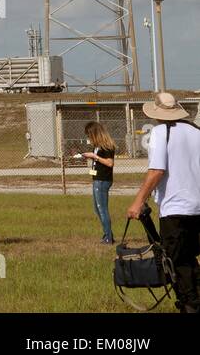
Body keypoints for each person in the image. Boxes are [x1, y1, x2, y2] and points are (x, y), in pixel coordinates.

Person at [127, 92, 200, 313]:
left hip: (175, 210)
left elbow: (157, 170)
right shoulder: (196, 132)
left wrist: (138, 202)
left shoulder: (160, 133)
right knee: (188, 259)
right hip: (197, 208)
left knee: (175, 263)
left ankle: (190, 306)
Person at [77, 121, 116, 243]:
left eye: (89, 135)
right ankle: (107, 234)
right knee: (97, 208)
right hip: (97, 179)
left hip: (102, 180)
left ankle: (108, 237)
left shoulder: (107, 146)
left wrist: (95, 157)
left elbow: (110, 163)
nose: (88, 138)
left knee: (102, 209)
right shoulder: (97, 146)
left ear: (95, 134)